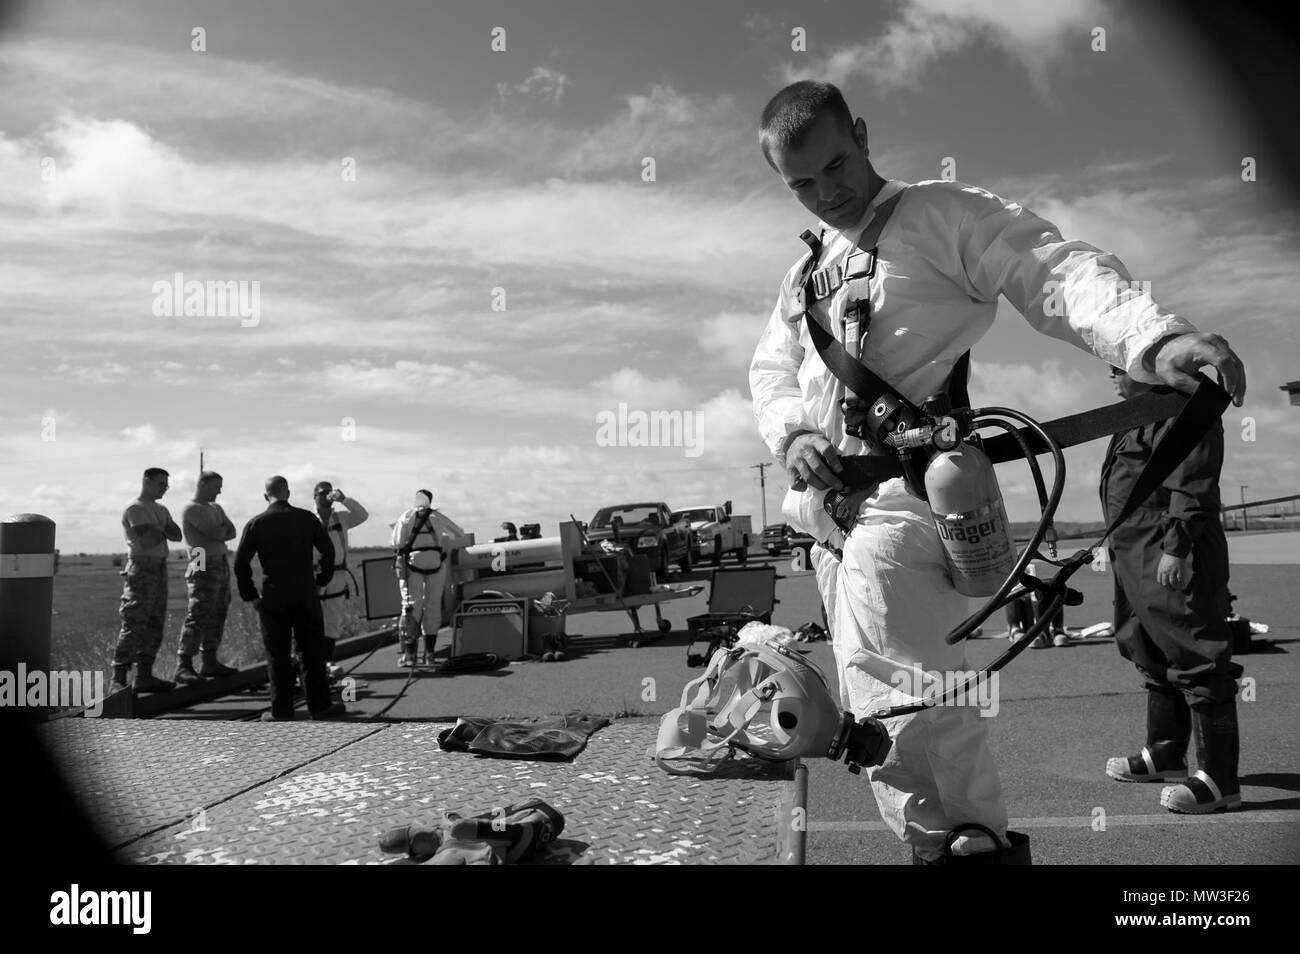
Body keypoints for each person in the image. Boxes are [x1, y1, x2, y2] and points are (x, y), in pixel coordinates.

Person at [749, 81, 1246, 863]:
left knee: (914, 705)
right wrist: (790, 436)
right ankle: (942, 848)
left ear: (864, 135)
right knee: (879, 710)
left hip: (904, 498)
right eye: (802, 184)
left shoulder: (939, 216)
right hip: (827, 521)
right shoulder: (804, 274)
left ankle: (974, 839)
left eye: (836, 165)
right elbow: (771, 368)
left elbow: (1050, 269)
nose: (827, 193)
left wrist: (1152, 340)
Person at [1101, 367, 1241, 813]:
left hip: (1165, 548)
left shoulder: (1186, 406)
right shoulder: (1136, 414)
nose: (1111, 372)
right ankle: (1165, 753)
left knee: (1196, 653)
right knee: (1146, 647)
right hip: (1132, 549)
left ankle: (1219, 781)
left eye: (1121, 365)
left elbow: (1194, 482)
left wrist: (1178, 548)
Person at [234, 476, 346, 721]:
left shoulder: (256, 523)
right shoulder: (307, 519)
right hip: (306, 594)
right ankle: (320, 706)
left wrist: (251, 596)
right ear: (288, 492)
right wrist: (321, 582)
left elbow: (241, 563)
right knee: (311, 651)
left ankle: (281, 710)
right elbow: (329, 551)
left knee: (278, 655)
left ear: (266, 496)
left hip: (274, 597)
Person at [111, 467, 183, 694]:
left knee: (154, 622)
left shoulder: (160, 509)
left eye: (167, 485)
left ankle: (144, 676)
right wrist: (163, 528)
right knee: (134, 622)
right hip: (142, 569)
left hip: (159, 568)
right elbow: (151, 539)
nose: (165, 489)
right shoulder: (136, 508)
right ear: (147, 481)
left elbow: (177, 535)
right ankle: (118, 679)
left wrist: (159, 528)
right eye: (161, 484)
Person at [174, 471, 239, 685]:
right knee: (199, 611)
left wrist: (222, 530)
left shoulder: (215, 508)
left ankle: (209, 659)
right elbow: (217, 533)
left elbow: (232, 532)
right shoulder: (192, 509)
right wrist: (222, 530)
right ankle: (184, 665)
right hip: (202, 560)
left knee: (219, 609)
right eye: (215, 486)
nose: (219, 491)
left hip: (219, 560)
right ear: (202, 484)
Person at [391, 489, 467, 667]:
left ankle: (410, 656)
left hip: (413, 565)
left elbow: (395, 542)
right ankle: (430, 654)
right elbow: (459, 533)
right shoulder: (438, 517)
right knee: (433, 606)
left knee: (411, 607)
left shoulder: (406, 516)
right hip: (436, 564)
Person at [312, 481, 368, 676]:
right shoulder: (308, 519)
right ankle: (312, 664)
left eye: (329, 492)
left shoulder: (341, 518)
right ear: (314, 497)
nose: (326, 495)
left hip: (337, 575)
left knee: (333, 620)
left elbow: (363, 515)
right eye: (321, 493)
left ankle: (327, 661)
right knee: (312, 620)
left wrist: (344, 499)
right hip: (315, 575)